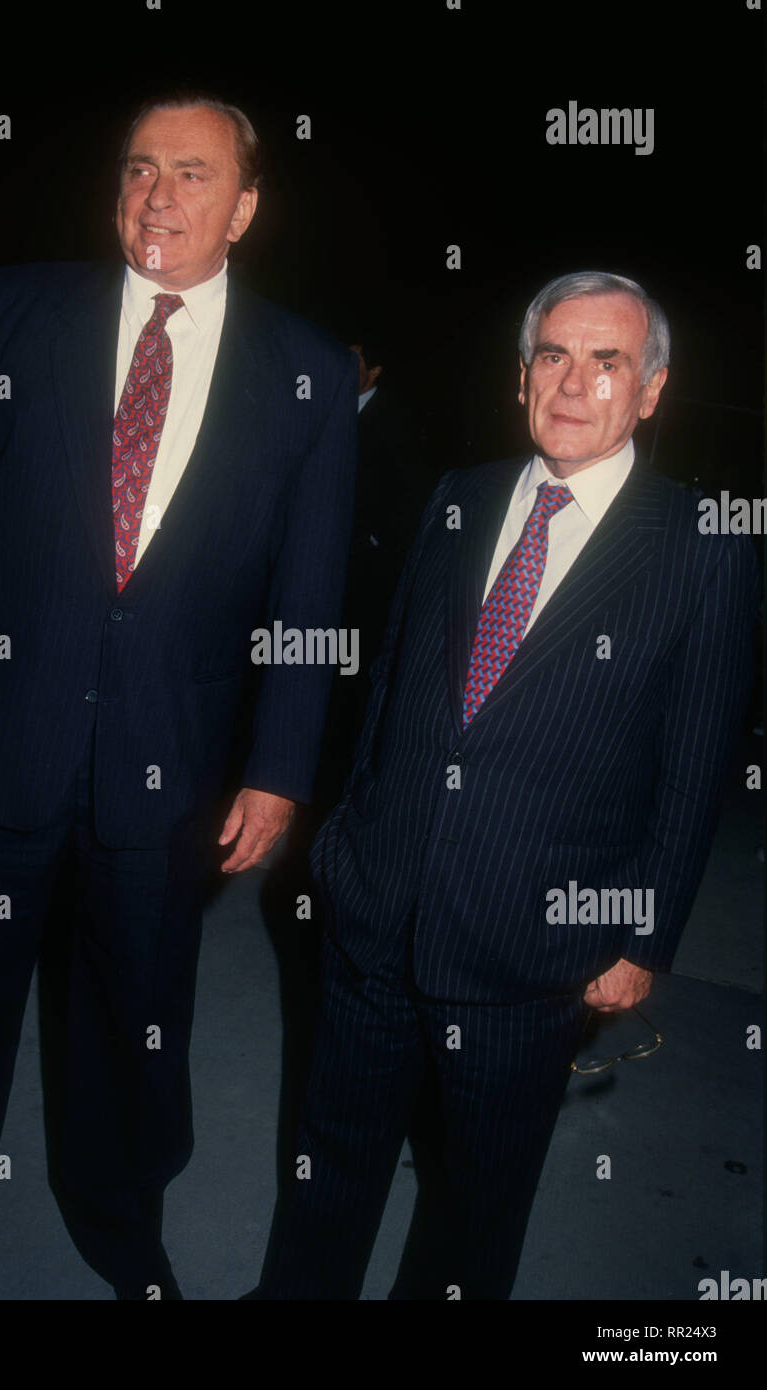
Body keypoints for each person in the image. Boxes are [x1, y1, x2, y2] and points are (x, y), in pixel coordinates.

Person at [0, 92, 357, 1300]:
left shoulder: (309, 373)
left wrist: (281, 764)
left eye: (190, 173)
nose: (157, 196)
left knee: (132, 1021)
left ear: (246, 205)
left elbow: (311, 590)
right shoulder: (15, 312)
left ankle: (121, 1225)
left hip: (166, 768)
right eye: (138, 170)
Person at [254, 271, 760, 1300]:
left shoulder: (701, 546)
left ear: (651, 390)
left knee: (477, 1200)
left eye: (606, 361)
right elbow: (395, 684)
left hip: (534, 945)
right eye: (552, 355)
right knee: (329, 1159)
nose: (574, 383)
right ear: (521, 375)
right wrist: (347, 840)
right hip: (376, 909)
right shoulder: (461, 494)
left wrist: (640, 938)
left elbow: (697, 762)